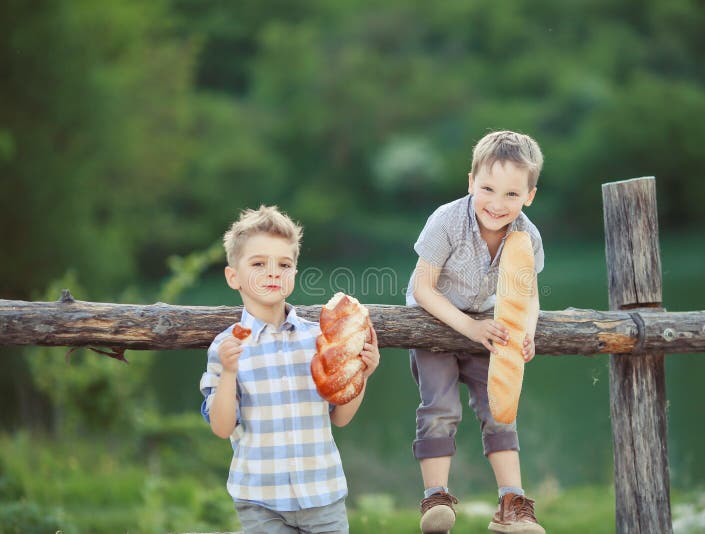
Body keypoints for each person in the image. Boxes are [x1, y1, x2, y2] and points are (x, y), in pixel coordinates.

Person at [200, 205, 380, 534]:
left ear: (294, 273)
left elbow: (340, 417)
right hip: (259, 500)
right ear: (233, 276)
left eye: (284, 264)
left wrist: (361, 374)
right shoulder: (225, 347)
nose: (273, 272)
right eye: (258, 263)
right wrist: (228, 372)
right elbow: (222, 427)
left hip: (322, 494)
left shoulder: (320, 339)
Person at [406, 130, 546, 534]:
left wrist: (527, 332)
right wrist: (469, 327)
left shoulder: (527, 236)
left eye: (511, 195)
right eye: (487, 189)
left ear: (529, 196)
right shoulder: (447, 220)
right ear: (471, 183)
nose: (497, 204)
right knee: (440, 408)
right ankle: (436, 497)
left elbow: (529, 296)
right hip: (435, 324)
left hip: (492, 328)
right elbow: (422, 288)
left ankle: (511, 504)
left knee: (501, 409)